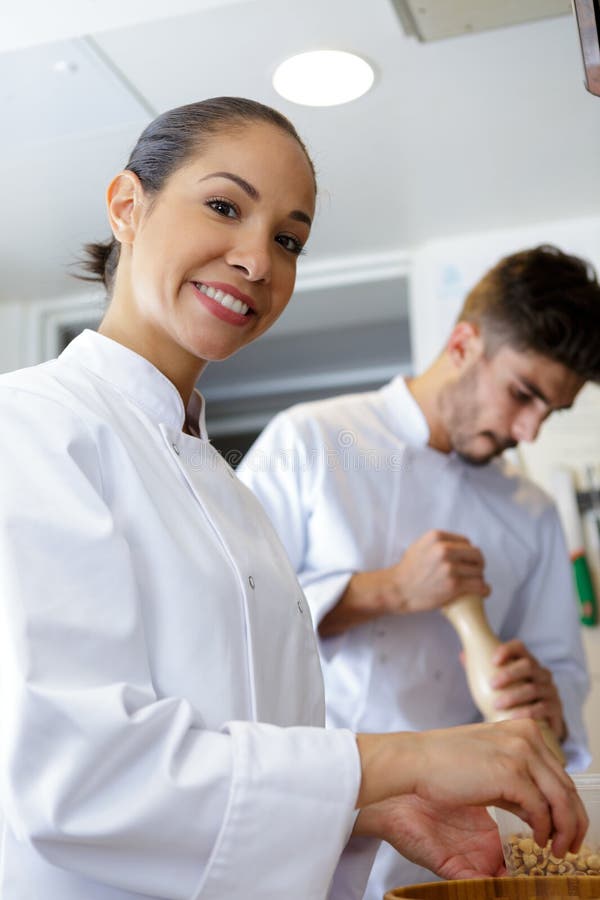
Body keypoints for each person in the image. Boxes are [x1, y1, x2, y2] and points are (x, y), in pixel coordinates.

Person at [0, 100, 586, 900]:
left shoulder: (229, 498)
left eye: (288, 240)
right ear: (127, 206)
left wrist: (368, 813)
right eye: (224, 206)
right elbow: (79, 781)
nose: (256, 260)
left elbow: (244, 760)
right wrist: (407, 758)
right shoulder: (31, 427)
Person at [238, 244, 600, 899]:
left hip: (452, 856)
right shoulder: (311, 441)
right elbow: (230, 618)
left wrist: (551, 703)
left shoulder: (533, 512)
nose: (530, 431)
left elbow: (565, 681)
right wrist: (389, 590)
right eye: (523, 394)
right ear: (463, 343)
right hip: (302, 826)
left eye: (551, 411)